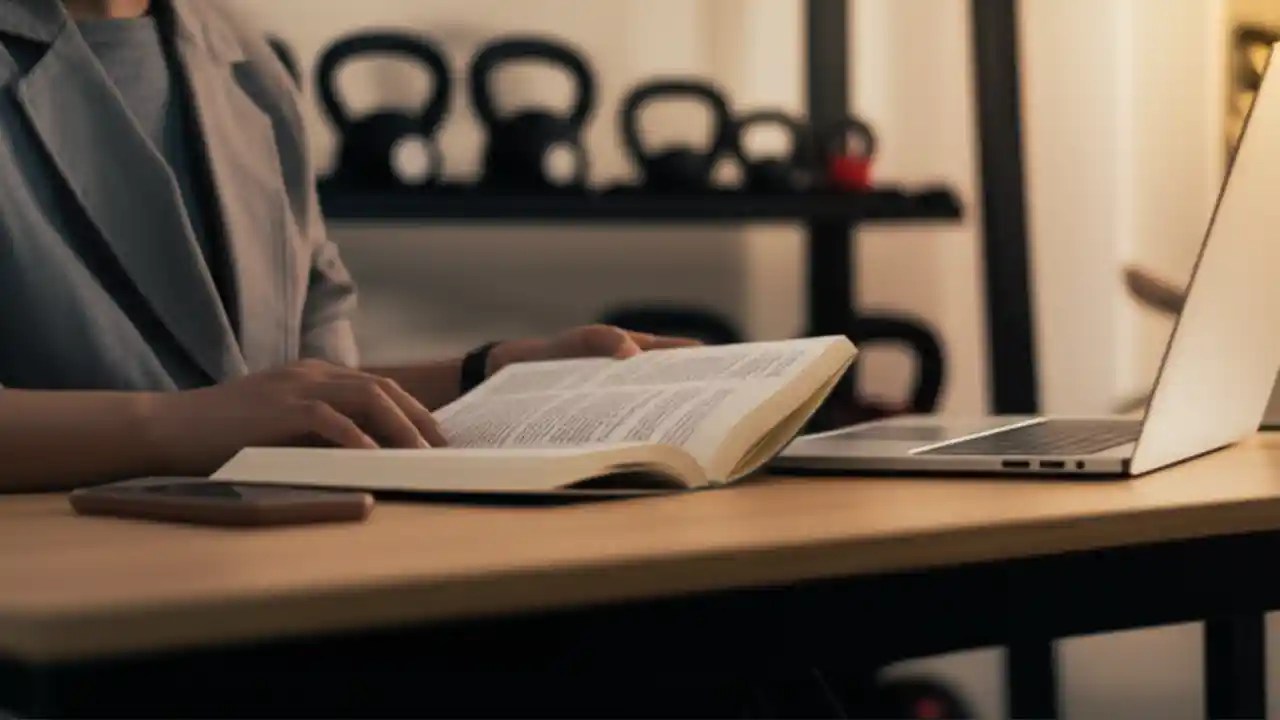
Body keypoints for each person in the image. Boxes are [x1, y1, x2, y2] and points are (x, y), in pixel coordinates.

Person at [0, 0, 694, 492]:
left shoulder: (251, 69)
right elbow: (228, 415)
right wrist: (176, 426)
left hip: (271, 585)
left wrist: (492, 374)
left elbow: (300, 394)